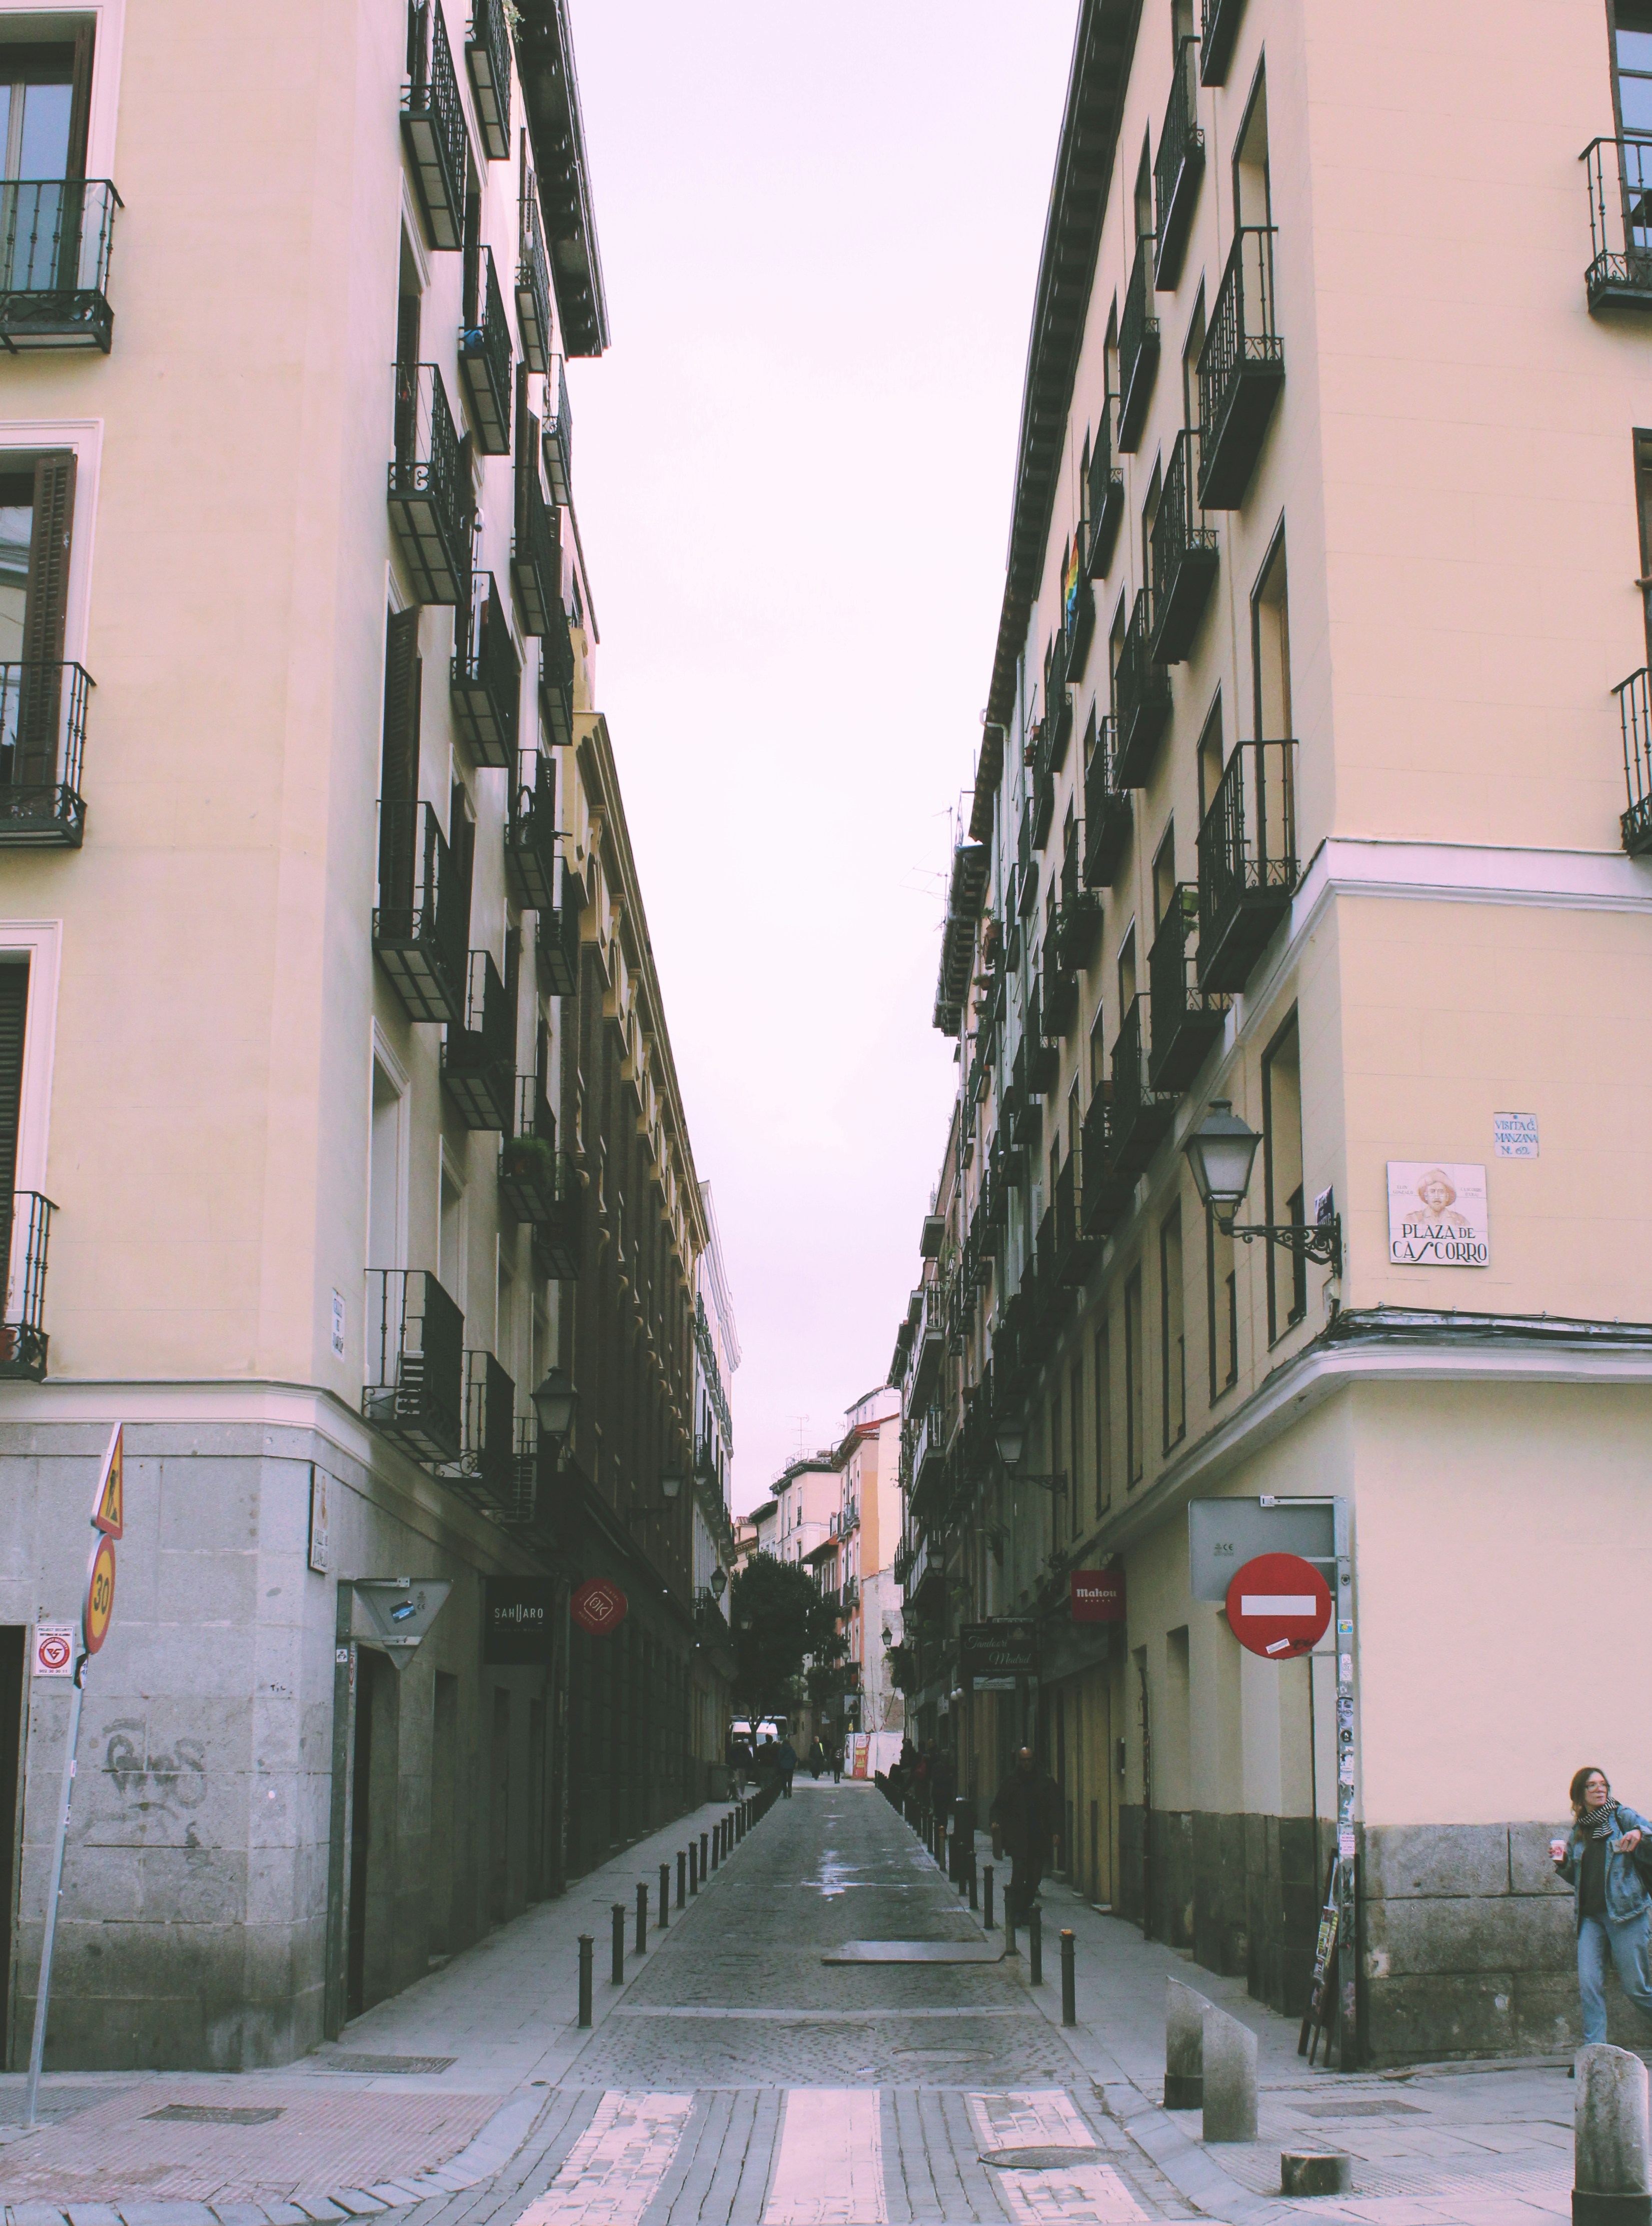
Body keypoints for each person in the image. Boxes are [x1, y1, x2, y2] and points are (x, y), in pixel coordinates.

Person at [1554, 1766, 1652, 2049]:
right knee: (1589, 1985)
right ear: (1580, 1794)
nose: (1600, 1790)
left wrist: (1638, 1833)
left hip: (1627, 1915)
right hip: (1591, 1918)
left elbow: (1649, 1832)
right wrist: (1562, 1865)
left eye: (1603, 1785)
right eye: (1592, 1786)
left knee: (1638, 1989)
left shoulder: (1623, 1816)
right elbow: (1579, 1879)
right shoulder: (1579, 1830)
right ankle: (1595, 2053)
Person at [990, 1746, 1062, 1922]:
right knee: (1019, 1872)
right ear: (1019, 1761)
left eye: (1030, 1760)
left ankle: (1026, 1906)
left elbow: (1055, 1807)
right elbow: (999, 1805)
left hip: (1039, 1835)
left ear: (1034, 1759)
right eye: (1024, 1760)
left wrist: (1056, 1831)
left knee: (1034, 1876)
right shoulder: (1012, 1781)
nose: (1027, 1763)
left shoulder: (1045, 1781)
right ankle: (1016, 1911)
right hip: (1018, 1836)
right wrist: (996, 1821)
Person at [776, 1734, 797, 1798]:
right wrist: (793, 1763)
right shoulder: (792, 1750)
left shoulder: (782, 1750)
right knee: (790, 1779)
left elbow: (779, 1758)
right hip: (790, 1767)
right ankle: (789, 1789)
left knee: (784, 1780)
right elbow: (795, 1758)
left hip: (783, 1767)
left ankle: (785, 1793)